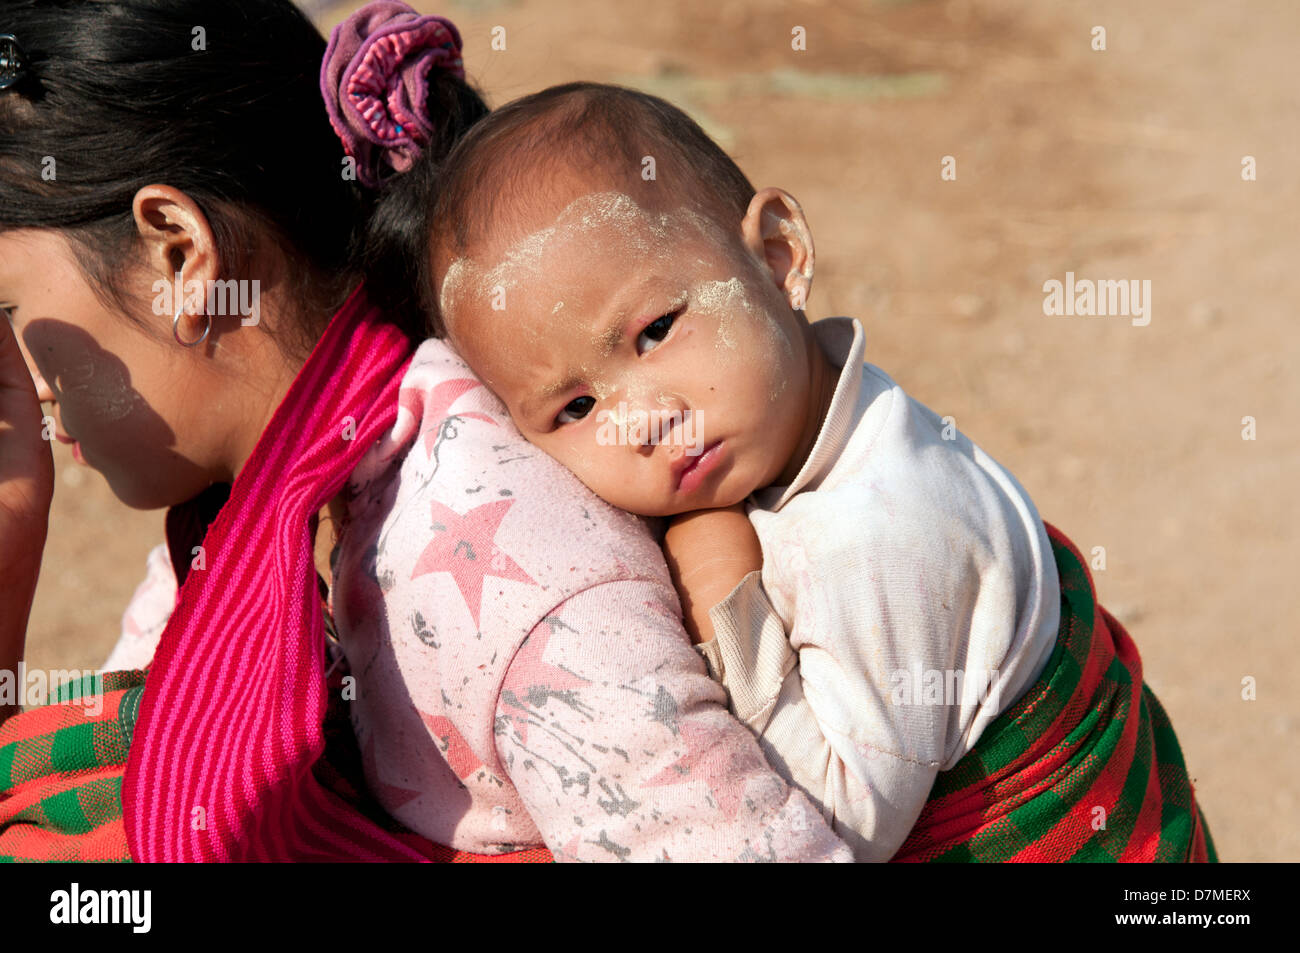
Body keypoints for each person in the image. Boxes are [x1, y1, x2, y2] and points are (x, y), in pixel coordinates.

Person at [0, 0, 849, 862]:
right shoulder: (255, 529)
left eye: (11, 308)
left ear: (179, 255)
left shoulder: (490, 559)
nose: (27, 378)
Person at [423, 82, 1217, 862]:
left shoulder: (884, 530)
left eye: (657, 330)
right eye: (577, 407)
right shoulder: (800, 431)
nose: (641, 419)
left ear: (777, 255)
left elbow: (831, 832)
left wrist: (727, 612)